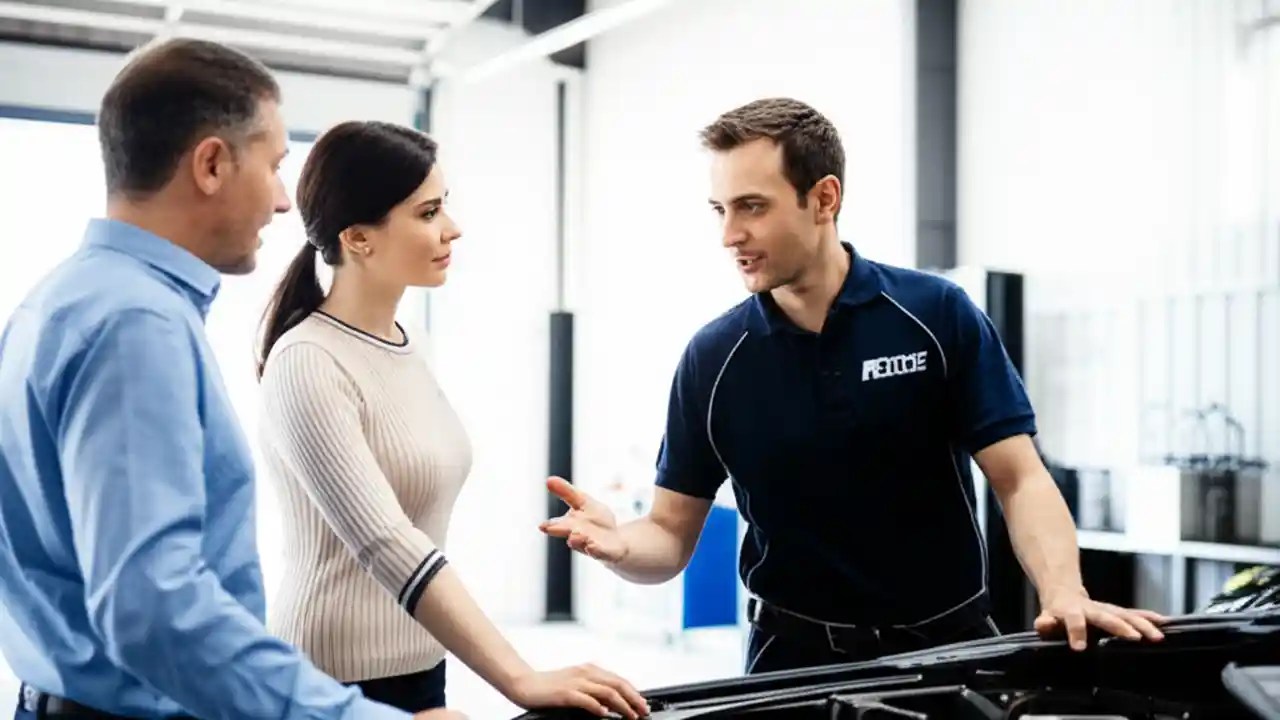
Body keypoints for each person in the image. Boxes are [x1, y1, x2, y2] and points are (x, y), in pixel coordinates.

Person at [540, 97, 1169, 675]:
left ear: (823, 198)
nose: (729, 235)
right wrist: (621, 543)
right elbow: (670, 536)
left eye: (752, 207)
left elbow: (1020, 477)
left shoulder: (936, 315)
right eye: (721, 210)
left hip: (945, 651)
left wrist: (1064, 591)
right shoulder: (713, 359)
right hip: (790, 665)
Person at [0, 38, 462, 720]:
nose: (282, 202)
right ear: (212, 164)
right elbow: (155, 609)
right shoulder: (136, 324)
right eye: (274, 166)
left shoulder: (60, 301)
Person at [254, 120, 650, 720]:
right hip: (329, 680)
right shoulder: (307, 362)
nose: (452, 228)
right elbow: (385, 540)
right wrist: (519, 677)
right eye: (428, 212)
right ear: (358, 238)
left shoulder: (407, 344)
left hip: (420, 669)